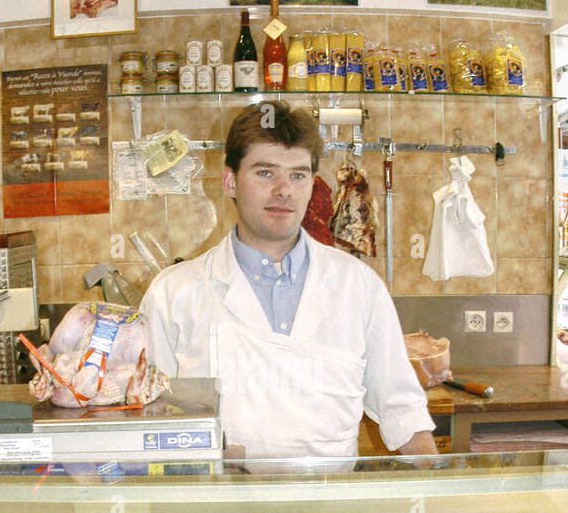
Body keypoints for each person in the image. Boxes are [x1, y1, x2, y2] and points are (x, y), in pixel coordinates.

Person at [140, 102, 437, 459]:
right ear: (230, 181)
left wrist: (435, 496)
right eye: (265, 173)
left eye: (298, 175)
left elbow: (402, 410)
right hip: (217, 506)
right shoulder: (173, 293)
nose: (284, 190)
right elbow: (150, 418)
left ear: (312, 184)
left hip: (329, 505)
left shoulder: (358, 286)